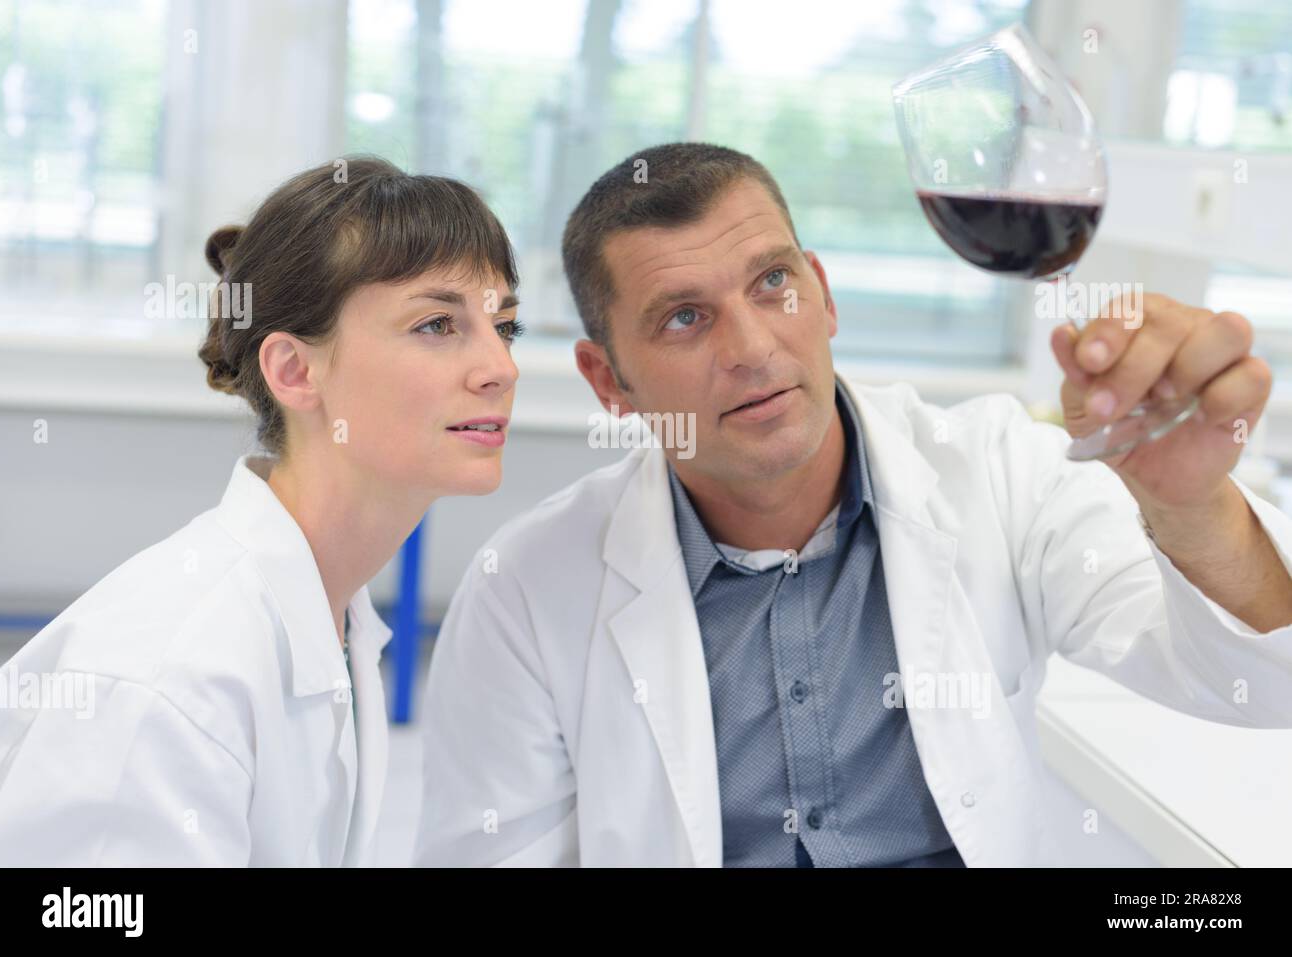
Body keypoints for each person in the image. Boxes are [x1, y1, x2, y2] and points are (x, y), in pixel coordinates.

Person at [415, 142, 1292, 867]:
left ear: (824, 296)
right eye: (684, 317)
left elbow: (1262, 681)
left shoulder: (996, 470)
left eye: (772, 283)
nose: (754, 347)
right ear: (610, 383)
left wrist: (1192, 505)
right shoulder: (526, 593)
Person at [0, 157, 522, 865]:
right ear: (295, 371)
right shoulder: (171, 675)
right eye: (436, 324)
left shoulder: (332, 617)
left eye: (505, 327)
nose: (501, 367)